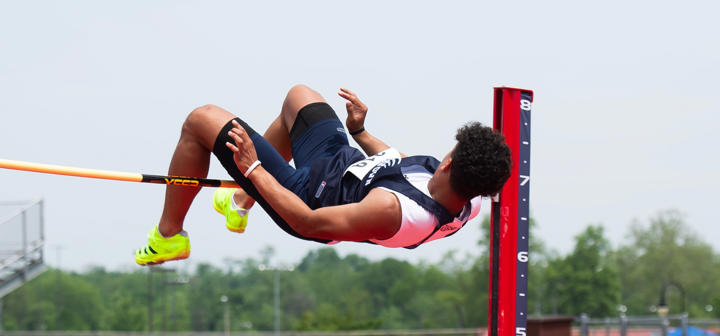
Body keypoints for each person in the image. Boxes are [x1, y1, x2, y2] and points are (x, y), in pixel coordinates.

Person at [134, 85, 511, 265]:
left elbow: (309, 223)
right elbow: (400, 164)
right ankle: (240, 202)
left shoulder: (395, 211)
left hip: (306, 197)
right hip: (340, 164)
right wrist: (361, 133)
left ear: (449, 164)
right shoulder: (469, 196)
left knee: (201, 119)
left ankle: (168, 236)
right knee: (299, 97)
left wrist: (253, 168)